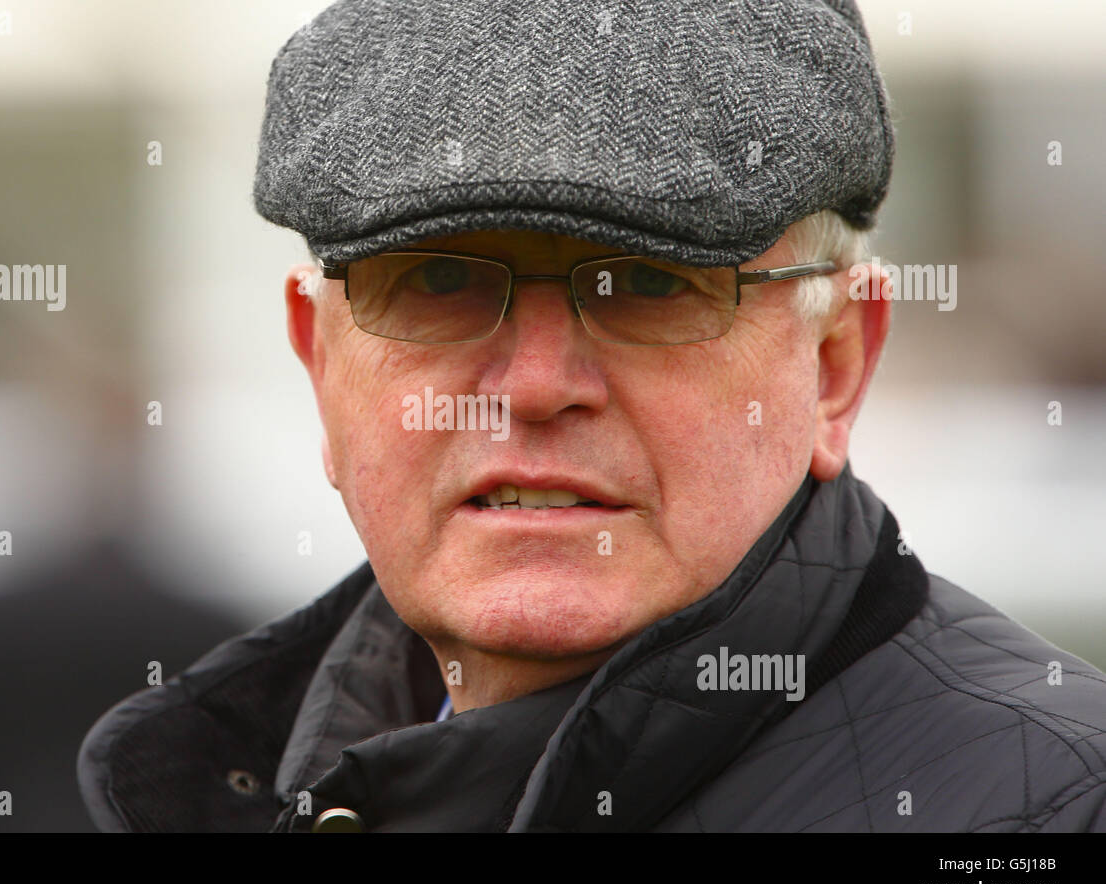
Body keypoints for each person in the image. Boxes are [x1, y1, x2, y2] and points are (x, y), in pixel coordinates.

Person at [78, 0, 1106, 832]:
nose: (532, 385)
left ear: (836, 363)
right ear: (318, 360)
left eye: (650, 286)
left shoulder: (1053, 809)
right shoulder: (225, 779)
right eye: (437, 279)